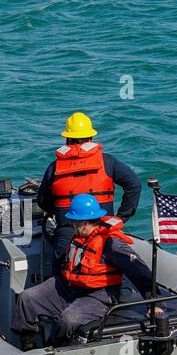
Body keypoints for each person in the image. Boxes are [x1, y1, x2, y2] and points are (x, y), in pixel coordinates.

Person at [12, 193, 155, 349]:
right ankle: (28, 344)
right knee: (27, 298)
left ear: (85, 223)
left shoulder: (112, 244)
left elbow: (139, 271)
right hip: (69, 286)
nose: (71, 224)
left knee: (69, 319)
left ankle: (53, 347)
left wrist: (153, 303)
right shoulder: (80, 236)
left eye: (74, 222)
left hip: (98, 296)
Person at [36, 111, 142, 263]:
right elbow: (134, 185)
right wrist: (121, 217)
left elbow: (42, 201)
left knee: (62, 279)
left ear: (67, 140)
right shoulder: (107, 161)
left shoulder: (54, 167)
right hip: (102, 231)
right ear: (91, 138)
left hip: (67, 232)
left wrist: (60, 210)